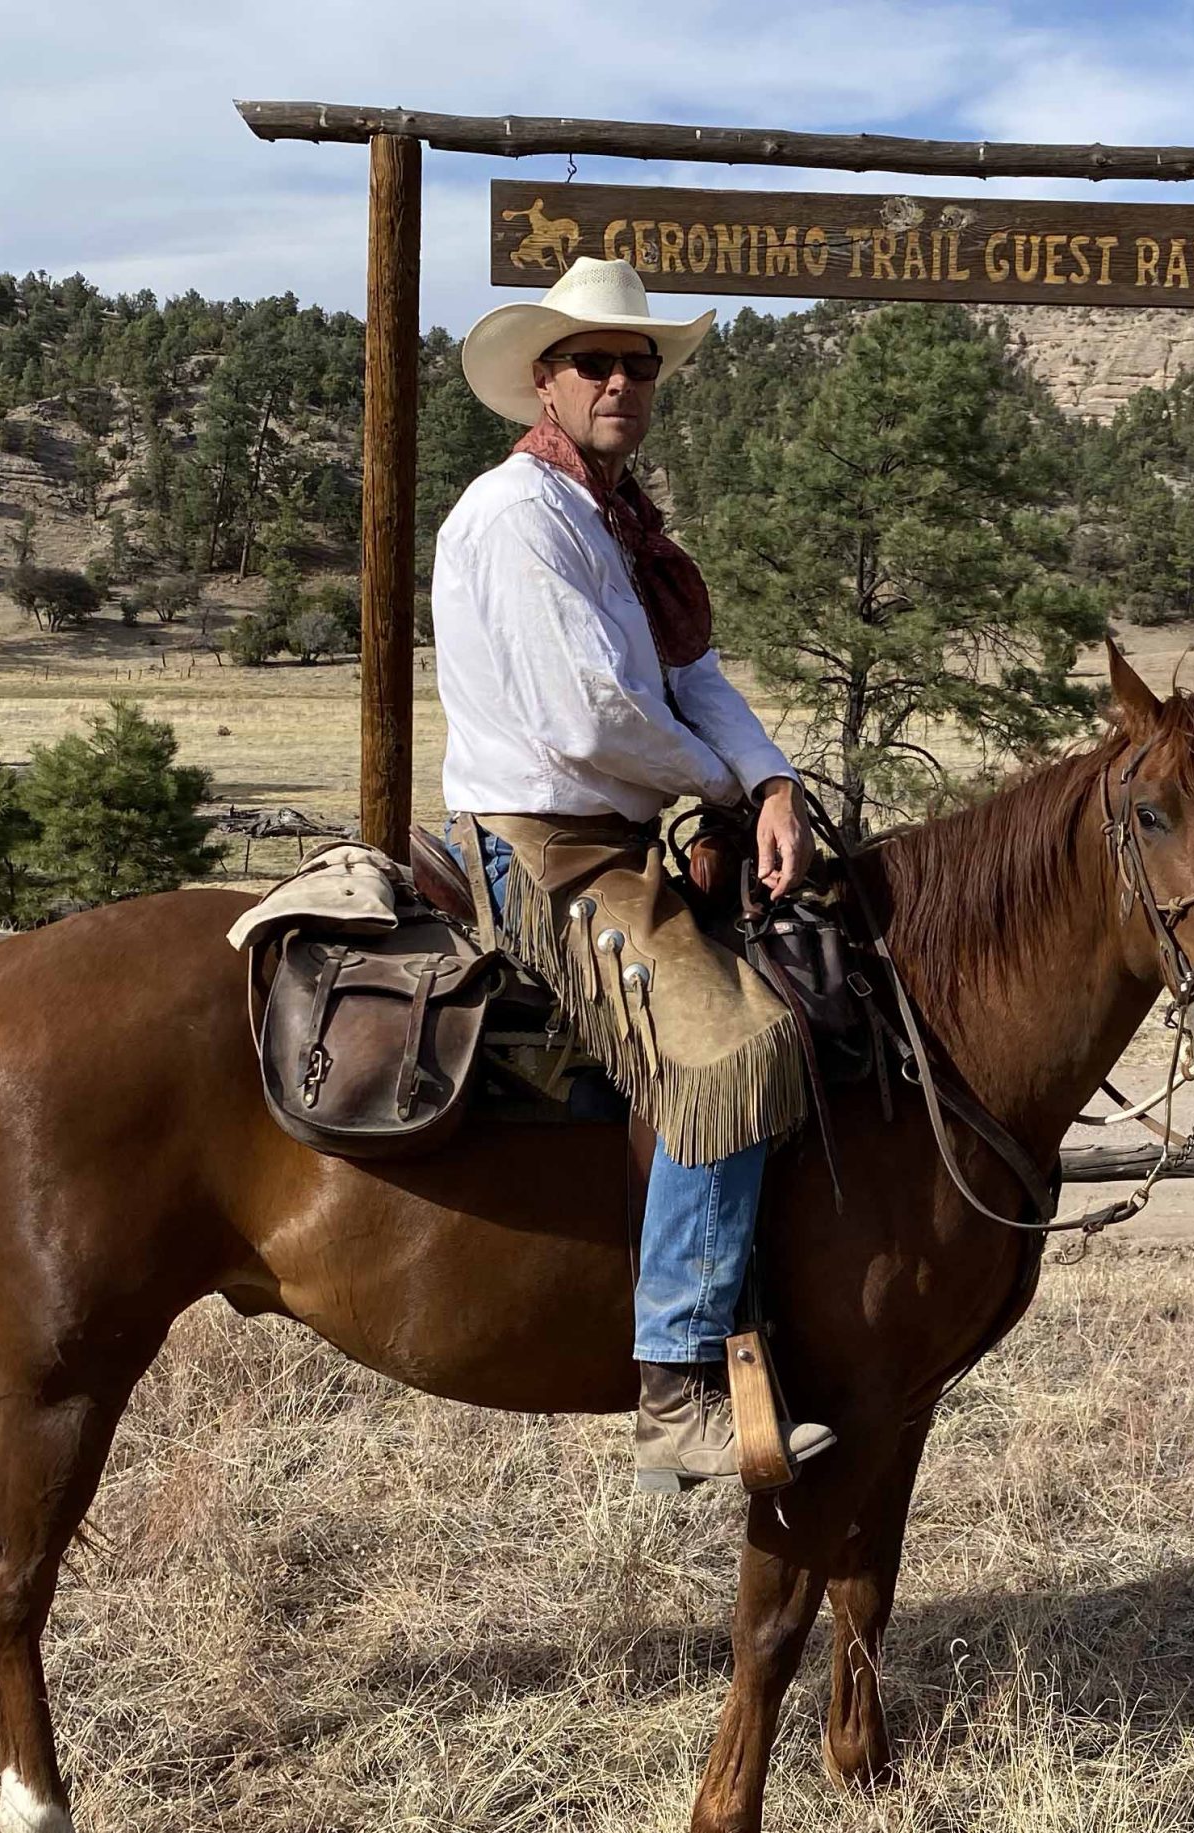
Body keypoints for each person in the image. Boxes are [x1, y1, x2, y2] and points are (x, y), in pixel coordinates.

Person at [432, 256, 835, 1492]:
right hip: (544, 845)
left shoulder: (615, 523)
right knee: (731, 1048)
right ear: (542, 382)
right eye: (593, 362)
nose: (619, 382)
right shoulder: (519, 518)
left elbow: (692, 676)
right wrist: (719, 790)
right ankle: (675, 1383)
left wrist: (770, 782)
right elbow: (590, 719)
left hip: (612, 830)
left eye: (637, 365)